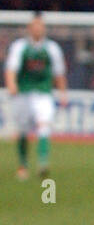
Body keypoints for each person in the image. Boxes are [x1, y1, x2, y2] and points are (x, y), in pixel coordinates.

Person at [4, 14, 67, 181]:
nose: (38, 29)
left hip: (43, 93)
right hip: (23, 94)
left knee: (44, 125)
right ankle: (23, 166)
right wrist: (11, 84)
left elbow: (59, 73)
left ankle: (43, 163)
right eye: (35, 26)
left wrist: (62, 93)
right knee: (23, 130)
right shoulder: (20, 47)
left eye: (41, 26)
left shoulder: (52, 48)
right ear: (29, 29)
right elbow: (11, 67)